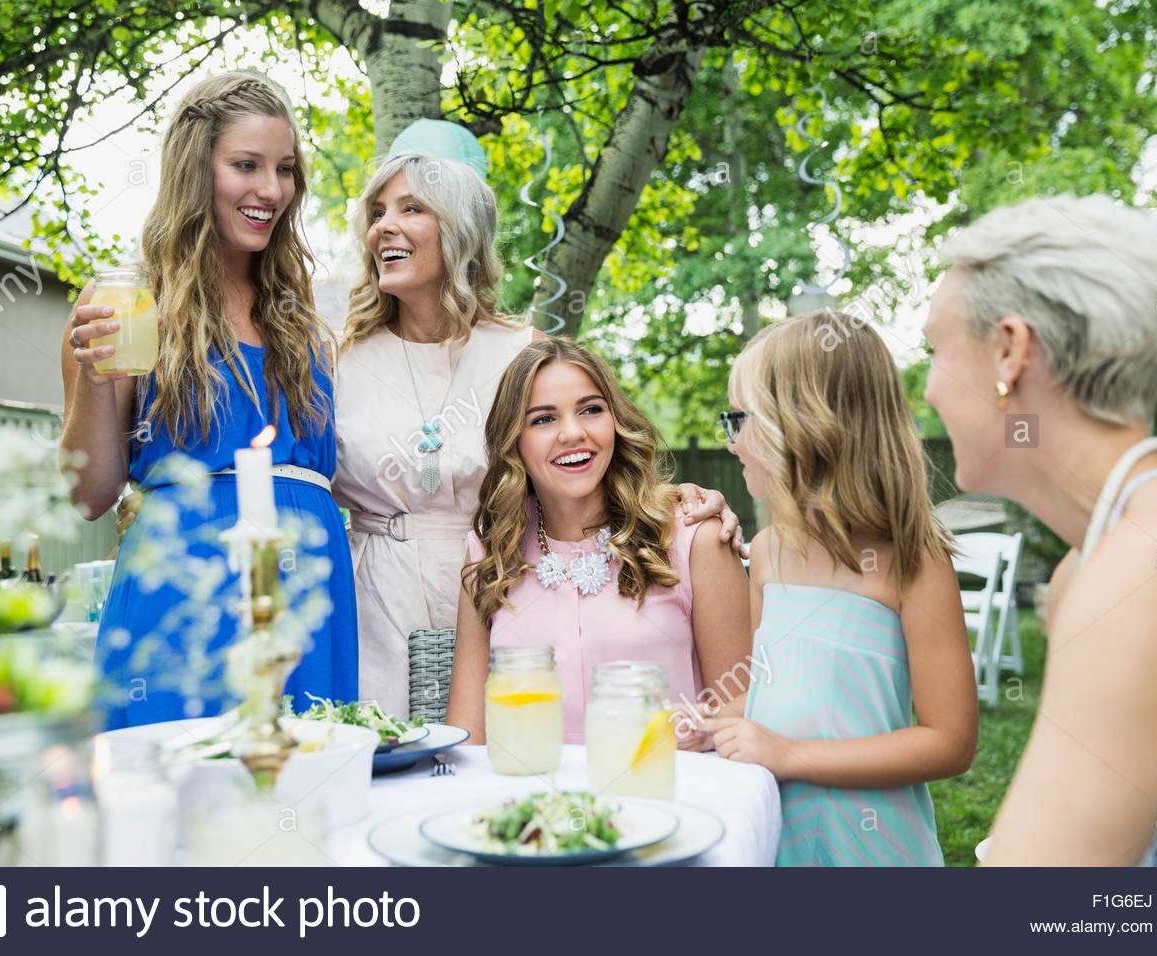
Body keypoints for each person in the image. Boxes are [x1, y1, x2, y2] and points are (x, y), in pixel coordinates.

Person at [331, 151, 741, 717]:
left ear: (460, 230)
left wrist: (688, 503)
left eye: (411, 207)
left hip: (508, 582)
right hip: (374, 594)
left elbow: (586, 457)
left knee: (509, 744)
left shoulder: (521, 350)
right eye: (376, 212)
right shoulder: (339, 357)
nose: (384, 226)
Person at [60, 72, 358, 728]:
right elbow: (88, 497)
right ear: (195, 169)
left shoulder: (302, 317)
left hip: (308, 589)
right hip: (181, 590)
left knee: (309, 798)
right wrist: (94, 375)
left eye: (284, 169)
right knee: (182, 803)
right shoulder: (127, 303)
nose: (270, 190)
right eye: (245, 166)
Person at [922, 194, 1157, 866]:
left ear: (1009, 352)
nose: (930, 389)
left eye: (936, 347)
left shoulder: (1149, 560)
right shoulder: (1086, 569)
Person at [700, 311, 978, 866]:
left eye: (739, 419)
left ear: (803, 425)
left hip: (873, 847)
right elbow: (765, 680)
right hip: (780, 835)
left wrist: (791, 755)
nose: (730, 442)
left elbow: (951, 742)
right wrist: (708, 720)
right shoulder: (773, 550)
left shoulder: (915, 561)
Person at [444, 338, 751, 742]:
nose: (573, 433)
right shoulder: (490, 552)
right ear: (513, 440)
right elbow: (467, 735)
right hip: (529, 799)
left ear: (615, 422)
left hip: (661, 789)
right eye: (543, 419)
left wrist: (684, 728)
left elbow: (746, 704)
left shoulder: (697, 536)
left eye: (591, 410)